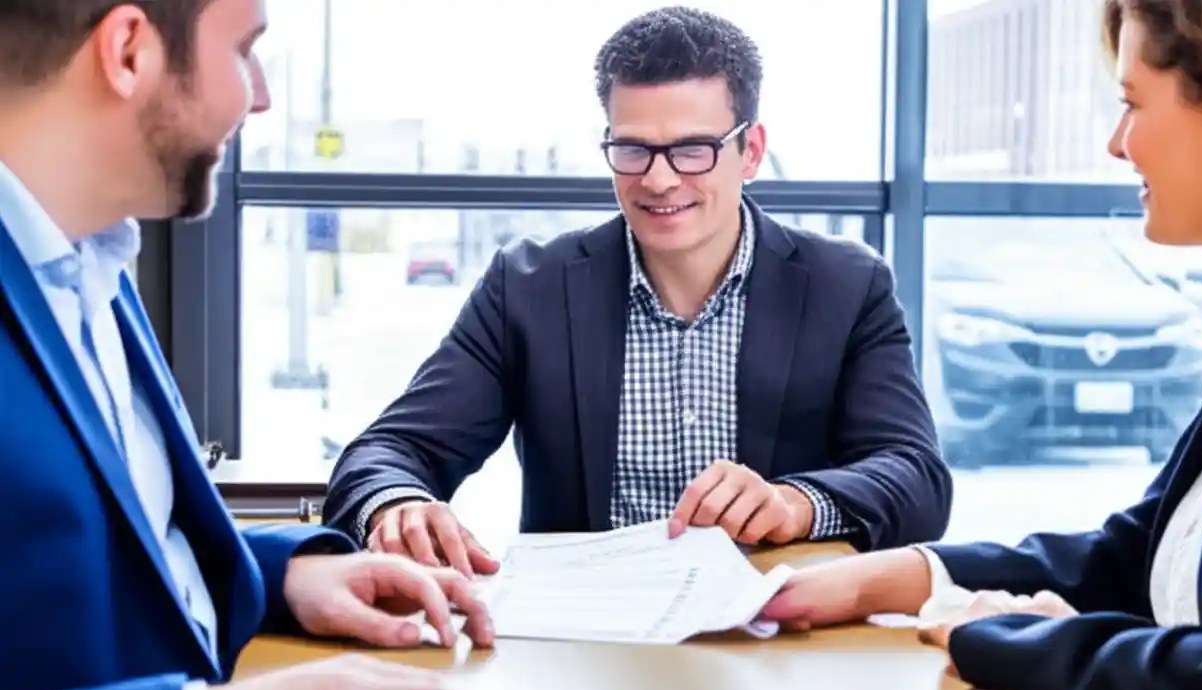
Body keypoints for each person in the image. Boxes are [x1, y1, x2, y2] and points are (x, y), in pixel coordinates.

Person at [759, 0, 1202, 690]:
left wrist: (999, 636)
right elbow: (1124, 561)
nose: (1117, 144)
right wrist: (879, 579)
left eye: (1132, 104)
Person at [0, 1, 500, 690]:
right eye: (244, 50)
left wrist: (285, 579)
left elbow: (111, 553)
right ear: (130, 51)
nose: (260, 95)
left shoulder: (94, 266)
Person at [322, 6, 952, 573]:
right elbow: (389, 451)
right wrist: (398, 503)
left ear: (751, 152)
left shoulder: (847, 287)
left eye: (692, 150)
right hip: (583, 643)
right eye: (632, 149)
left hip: (779, 632)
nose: (657, 179)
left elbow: (917, 478)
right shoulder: (528, 289)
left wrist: (796, 504)